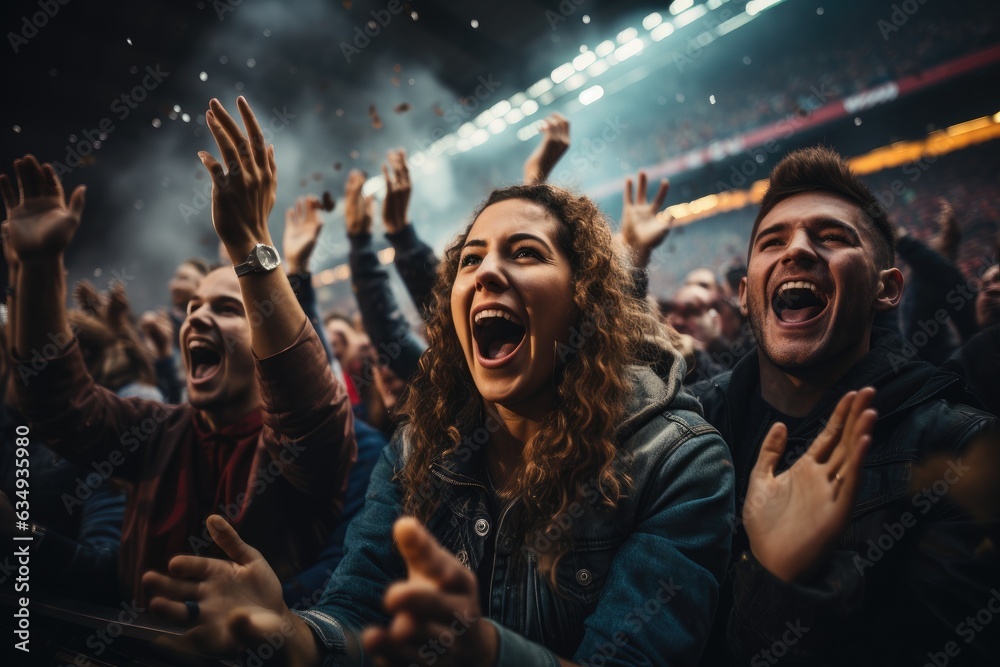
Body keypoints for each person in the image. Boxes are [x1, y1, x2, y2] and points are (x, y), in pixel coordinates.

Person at [143, 182, 736, 666]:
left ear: (586, 298)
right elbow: (358, 610)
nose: (485, 273)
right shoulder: (421, 443)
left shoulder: (678, 460)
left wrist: (485, 652)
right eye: (471, 259)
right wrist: (292, 636)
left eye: (525, 252)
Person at [0, 97, 356, 604]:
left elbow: (309, 408)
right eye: (192, 307)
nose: (198, 317)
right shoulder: (158, 431)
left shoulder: (294, 450)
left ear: (263, 333)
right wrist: (36, 271)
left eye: (228, 309)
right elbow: (56, 405)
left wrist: (251, 241)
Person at [691, 146, 1000, 666]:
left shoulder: (963, 446)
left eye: (832, 237)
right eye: (773, 240)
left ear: (887, 289)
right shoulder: (688, 427)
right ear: (745, 295)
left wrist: (780, 581)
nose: (798, 251)